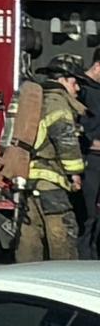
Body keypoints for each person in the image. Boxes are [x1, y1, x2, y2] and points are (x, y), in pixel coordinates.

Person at [17, 55, 88, 263]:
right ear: (63, 79)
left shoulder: (31, 99)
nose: (77, 89)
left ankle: (26, 283)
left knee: (29, 240)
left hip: (25, 182)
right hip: (51, 185)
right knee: (62, 237)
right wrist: (75, 175)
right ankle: (61, 282)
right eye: (75, 83)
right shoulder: (57, 103)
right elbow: (66, 143)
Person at [76, 50, 100, 258]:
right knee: (88, 213)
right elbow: (73, 130)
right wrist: (93, 144)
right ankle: (83, 255)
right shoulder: (81, 89)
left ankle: (92, 253)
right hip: (88, 160)